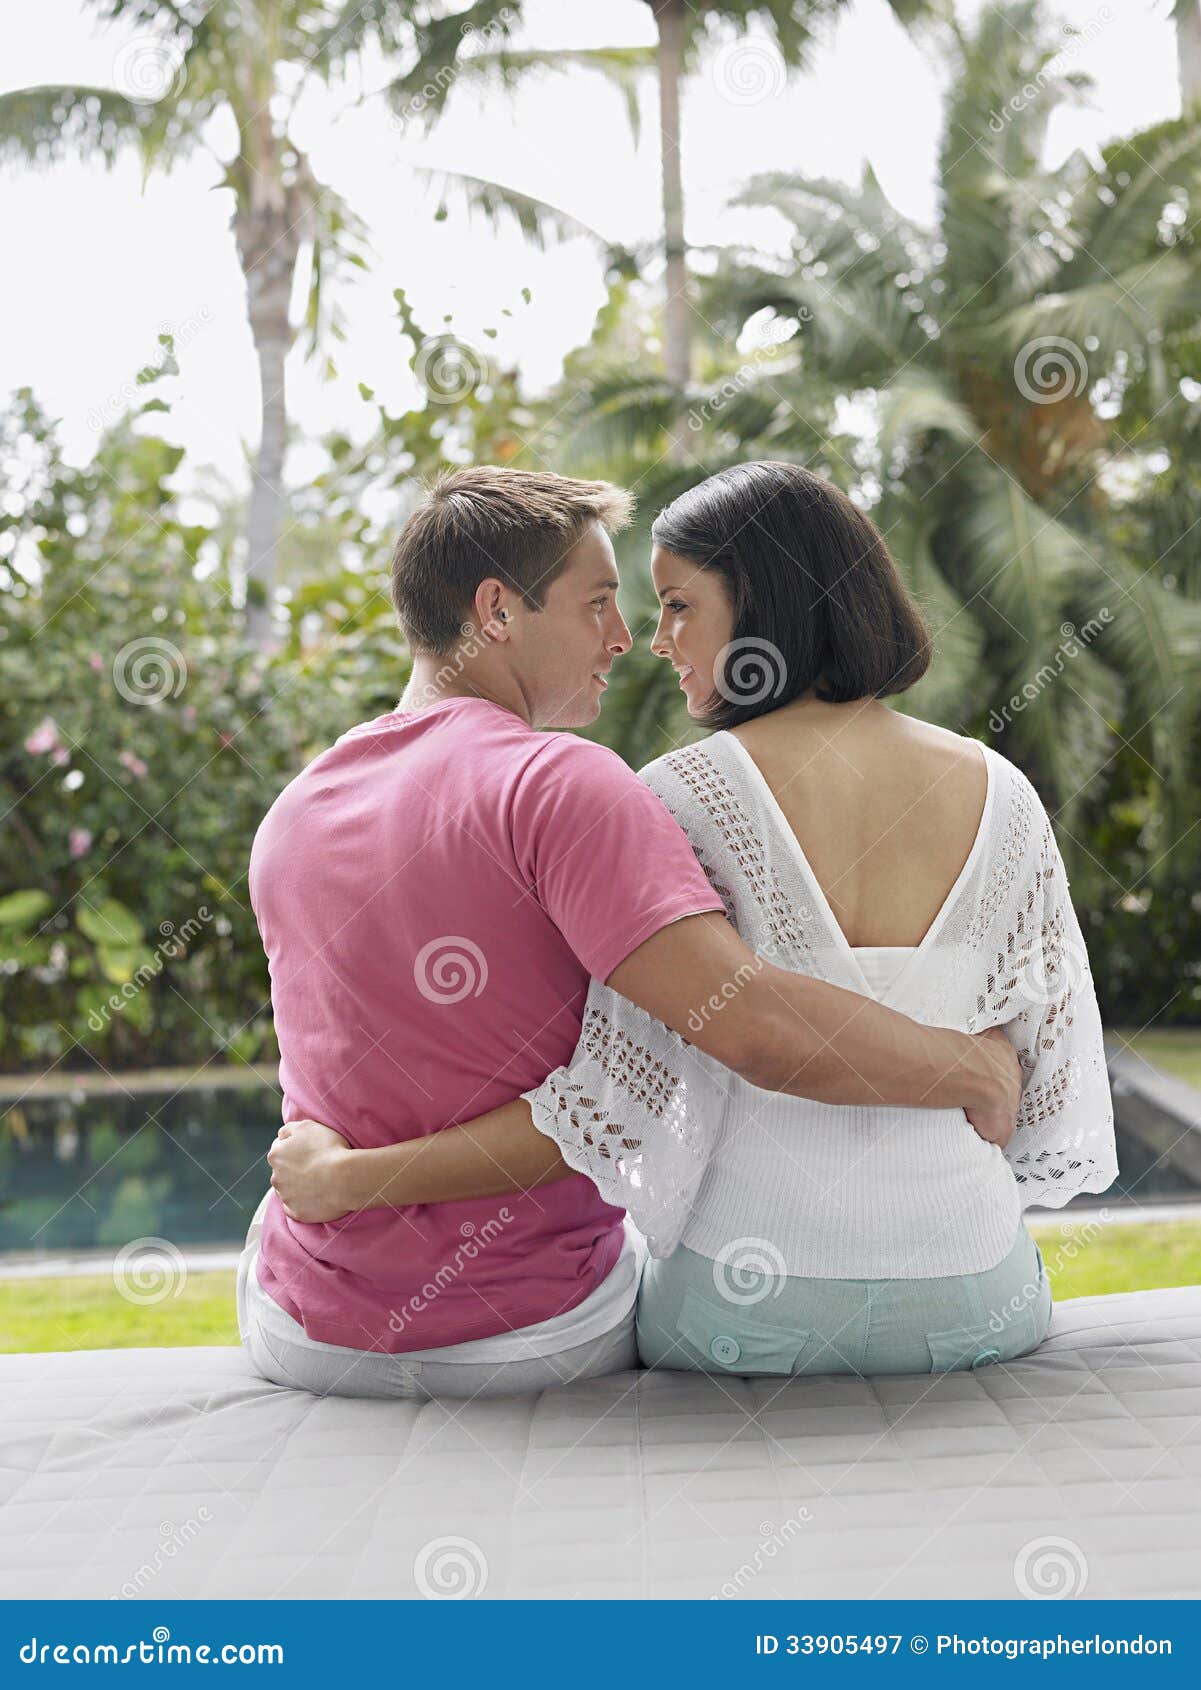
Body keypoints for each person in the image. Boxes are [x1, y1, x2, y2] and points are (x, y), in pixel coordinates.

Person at [268, 463, 1117, 1384]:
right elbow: (1040, 1072)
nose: (638, 638)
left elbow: (630, 1092)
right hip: (973, 1287)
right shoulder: (1006, 793)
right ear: (497, 612)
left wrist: (347, 1183)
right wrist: (976, 1075)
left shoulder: (297, 810)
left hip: (710, 1310)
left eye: (675, 606)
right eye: (609, 603)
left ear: (764, 610)